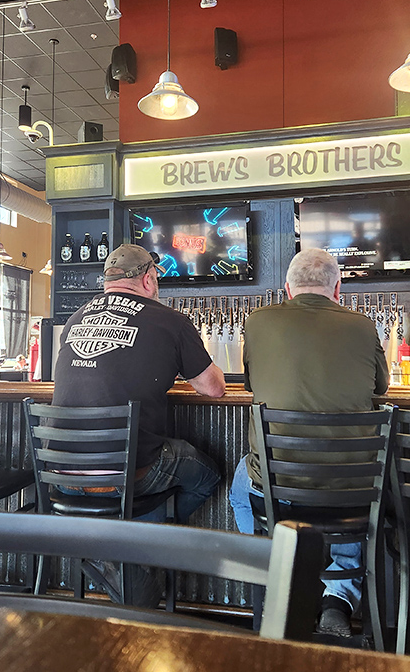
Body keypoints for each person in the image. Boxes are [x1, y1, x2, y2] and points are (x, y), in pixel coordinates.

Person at [228, 248, 389, 638]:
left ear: (287, 288)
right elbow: (381, 387)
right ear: (338, 287)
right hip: (349, 487)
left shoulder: (257, 321)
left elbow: (252, 385)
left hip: (278, 486)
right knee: (352, 479)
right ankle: (337, 599)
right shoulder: (364, 325)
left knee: (239, 487)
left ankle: (276, 578)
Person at [53, 244, 226, 524]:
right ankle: (153, 542)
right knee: (208, 475)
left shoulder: (75, 320)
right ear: (148, 279)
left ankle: (114, 555)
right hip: (127, 475)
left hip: (60, 475)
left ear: (108, 281)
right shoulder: (171, 322)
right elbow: (214, 388)